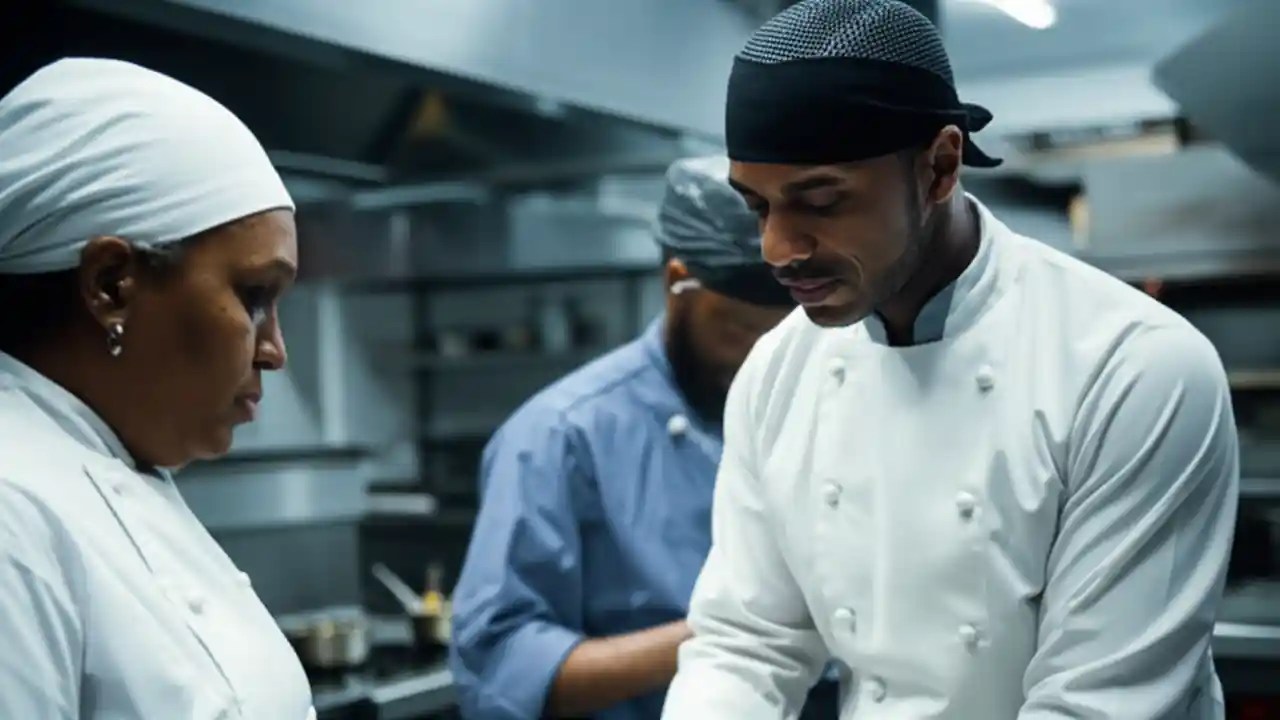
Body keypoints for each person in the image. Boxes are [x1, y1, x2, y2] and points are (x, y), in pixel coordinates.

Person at [662, 1, 1239, 718]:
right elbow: (747, 644)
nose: (778, 248)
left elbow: (1097, 704)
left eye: (820, 200)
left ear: (939, 165)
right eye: (758, 206)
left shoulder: (1132, 366)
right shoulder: (778, 373)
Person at [449, 156, 841, 720]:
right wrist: (732, 636)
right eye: (736, 330)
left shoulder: (814, 405)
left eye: (781, 337)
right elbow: (497, 666)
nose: (762, 363)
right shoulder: (560, 437)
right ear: (676, 281)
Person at [0, 58, 312, 718]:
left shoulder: (118, 468)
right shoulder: (11, 509)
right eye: (255, 297)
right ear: (112, 284)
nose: (275, 351)